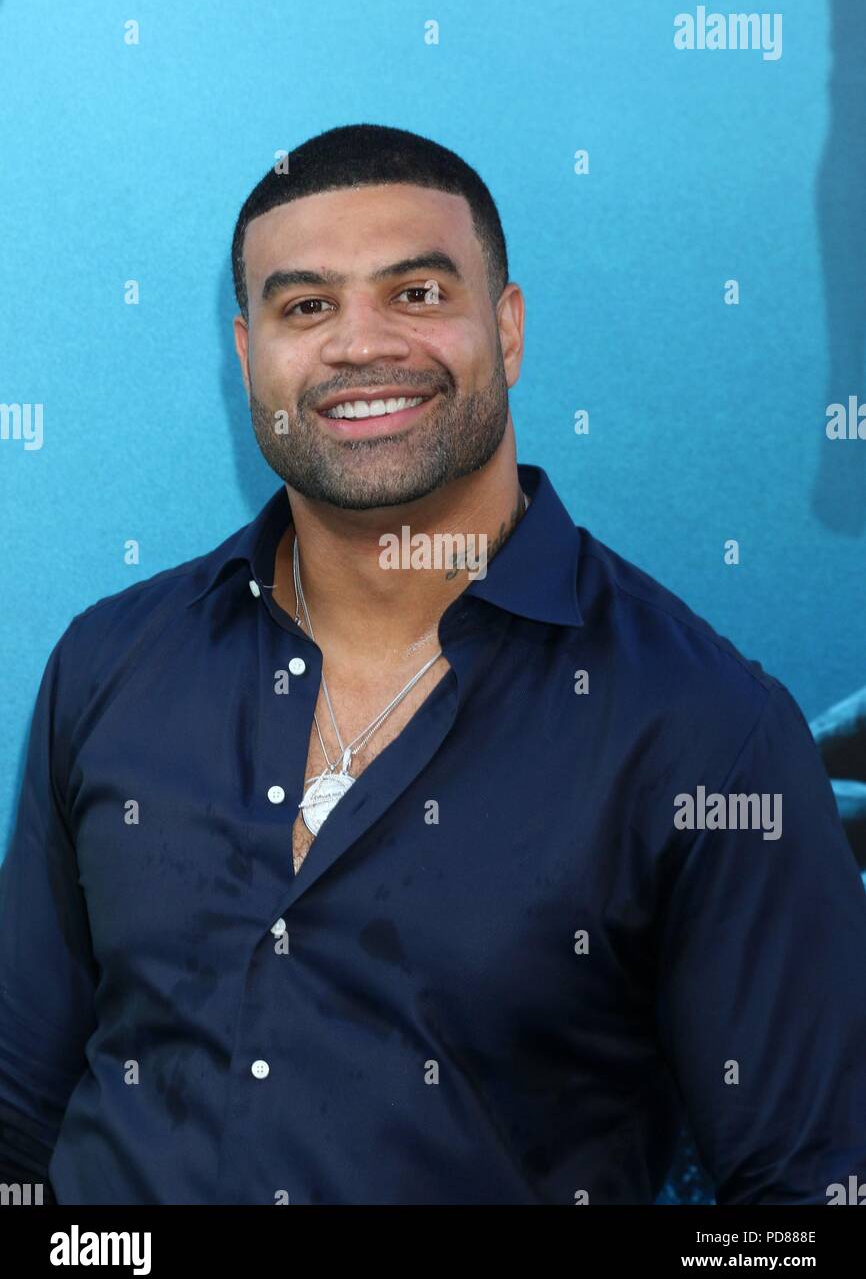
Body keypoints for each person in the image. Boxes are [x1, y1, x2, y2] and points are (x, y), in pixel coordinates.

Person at [2, 123, 865, 1206]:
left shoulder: (705, 730)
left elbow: (803, 1194)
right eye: (305, 304)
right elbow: (20, 1117)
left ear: (506, 331)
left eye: (414, 293)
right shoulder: (108, 663)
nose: (360, 344)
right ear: (246, 355)